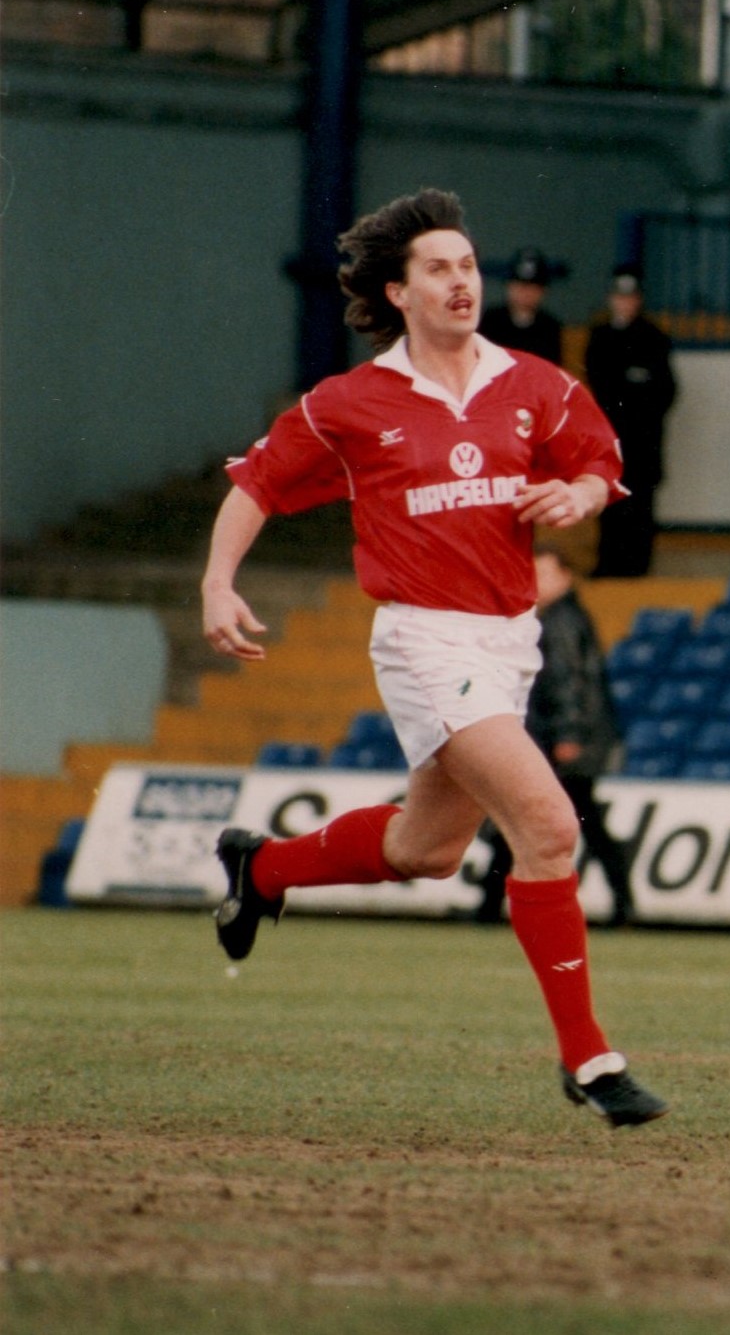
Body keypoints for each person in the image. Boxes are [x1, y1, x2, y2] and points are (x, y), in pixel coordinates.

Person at [202, 188, 666, 1126]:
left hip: (509, 642)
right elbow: (256, 483)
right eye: (439, 269)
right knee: (546, 823)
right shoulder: (351, 403)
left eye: (468, 265)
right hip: (423, 637)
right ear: (399, 292)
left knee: (427, 849)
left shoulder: (535, 382)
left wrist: (578, 495)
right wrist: (218, 582)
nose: (461, 282)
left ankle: (265, 871)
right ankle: (589, 1058)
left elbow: (599, 463)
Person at [478, 550, 638, 926]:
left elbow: (566, 682)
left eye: (543, 574)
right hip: (567, 741)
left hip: (560, 745)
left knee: (525, 819)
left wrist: (567, 736)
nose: (535, 583)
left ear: (566, 577)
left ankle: (487, 906)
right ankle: (623, 903)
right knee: (576, 821)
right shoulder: (567, 617)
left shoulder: (558, 622)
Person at [582, 266, 677, 578]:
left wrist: (632, 392)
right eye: (620, 297)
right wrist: (632, 385)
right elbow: (600, 386)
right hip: (610, 437)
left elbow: (666, 390)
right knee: (609, 501)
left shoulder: (654, 337)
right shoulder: (600, 336)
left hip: (644, 438)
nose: (625, 303)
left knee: (641, 504)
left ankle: (638, 567)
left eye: (631, 297)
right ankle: (608, 564)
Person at [486, 249, 566, 363]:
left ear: (543, 291)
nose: (526, 293)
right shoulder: (491, 321)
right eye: (521, 286)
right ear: (509, 286)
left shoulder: (549, 326)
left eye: (533, 287)